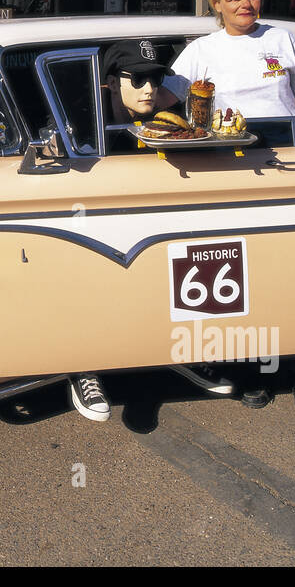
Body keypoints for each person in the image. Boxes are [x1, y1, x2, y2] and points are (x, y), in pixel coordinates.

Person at [164, 0, 295, 412]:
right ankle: (252, 367)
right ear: (216, 3)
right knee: (241, 274)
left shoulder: (282, 40)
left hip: (290, 167)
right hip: (232, 173)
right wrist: (127, 75)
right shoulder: (201, 50)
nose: (245, 4)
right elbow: (164, 100)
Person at [65, 39, 237, 423]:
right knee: (87, 265)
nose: (149, 87)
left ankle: (183, 352)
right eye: (138, 78)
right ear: (111, 82)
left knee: (196, 251)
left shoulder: (168, 114)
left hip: (156, 214)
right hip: (97, 219)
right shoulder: (82, 116)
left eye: (156, 78)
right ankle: (83, 364)